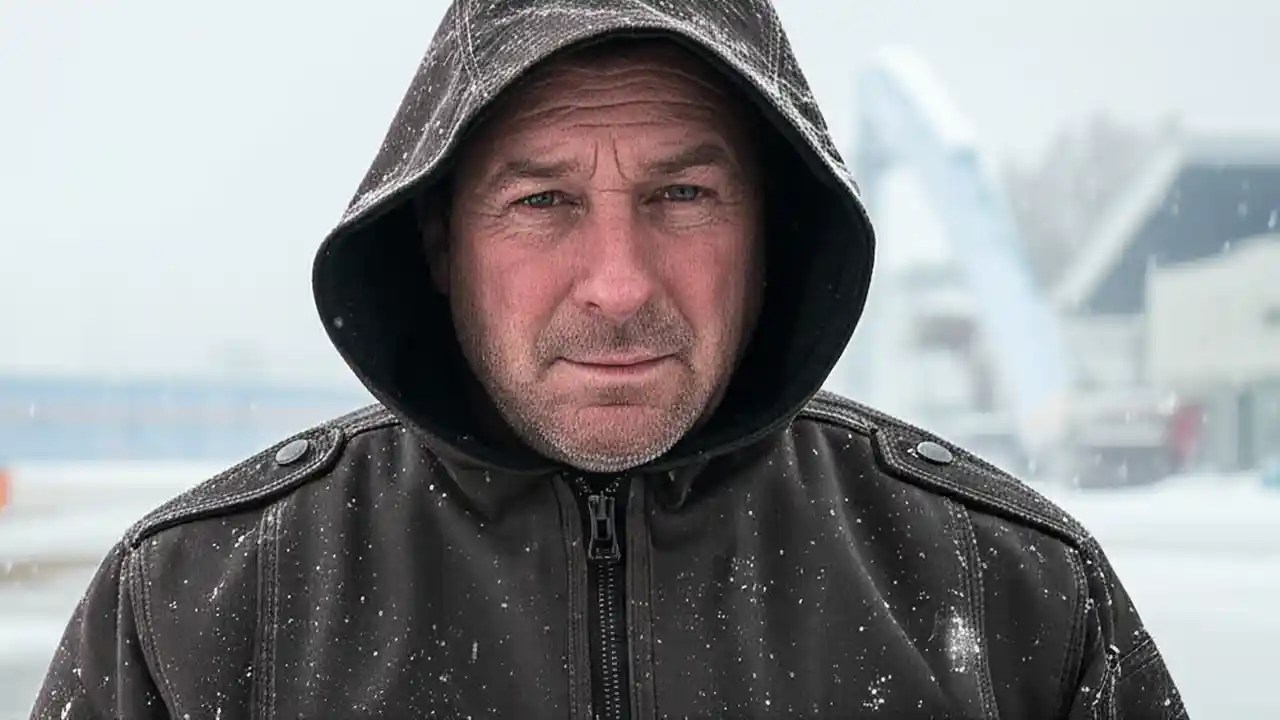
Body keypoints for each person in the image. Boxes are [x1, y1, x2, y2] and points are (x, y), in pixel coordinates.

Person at [32, 1, 1187, 718]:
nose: (620, 282)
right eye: (541, 201)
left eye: (681, 195)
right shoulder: (202, 605)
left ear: (771, 230)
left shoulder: (1007, 592)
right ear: (438, 241)